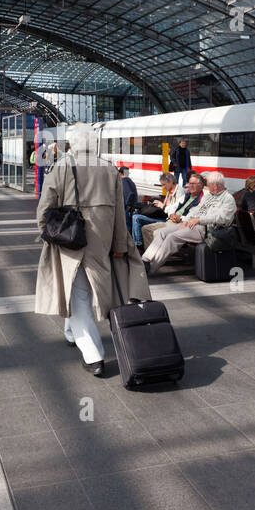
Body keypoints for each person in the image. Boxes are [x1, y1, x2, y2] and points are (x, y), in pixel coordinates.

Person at [35, 124, 149, 375]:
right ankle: (70, 332)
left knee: (77, 294)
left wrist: (46, 231)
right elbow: (120, 213)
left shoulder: (62, 166)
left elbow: (45, 205)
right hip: (102, 240)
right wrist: (119, 244)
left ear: (72, 144)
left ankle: (94, 356)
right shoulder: (109, 169)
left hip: (70, 238)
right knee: (83, 288)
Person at [142, 171, 236, 273]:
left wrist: (199, 220)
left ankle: (151, 268)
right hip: (193, 224)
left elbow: (222, 218)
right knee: (162, 232)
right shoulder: (209, 196)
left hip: (207, 231)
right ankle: (145, 260)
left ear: (216, 185)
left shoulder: (228, 199)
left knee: (172, 237)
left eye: (208, 185)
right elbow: (196, 209)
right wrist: (185, 220)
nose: (207, 187)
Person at [140, 173, 204, 250]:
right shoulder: (187, 195)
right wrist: (171, 214)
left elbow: (193, 215)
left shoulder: (200, 198)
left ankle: (158, 255)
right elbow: (174, 207)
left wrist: (179, 218)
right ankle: (151, 252)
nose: (190, 186)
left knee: (154, 230)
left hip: (178, 222)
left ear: (201, 185)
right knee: (145, 228)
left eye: (194, 184)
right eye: (190, 183)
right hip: (170, 219)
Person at [131, 172, 179, 246]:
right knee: (135, 215)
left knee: (136, 218)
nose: (163, 187)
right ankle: (139, 245)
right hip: (164, 216)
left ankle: (138, 245)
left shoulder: (179, 192)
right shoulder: (169, 192)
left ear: (171, 182)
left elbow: (175, 210)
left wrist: (162, 206)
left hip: (167, 220)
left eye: (164, 184)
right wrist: (158, 203)